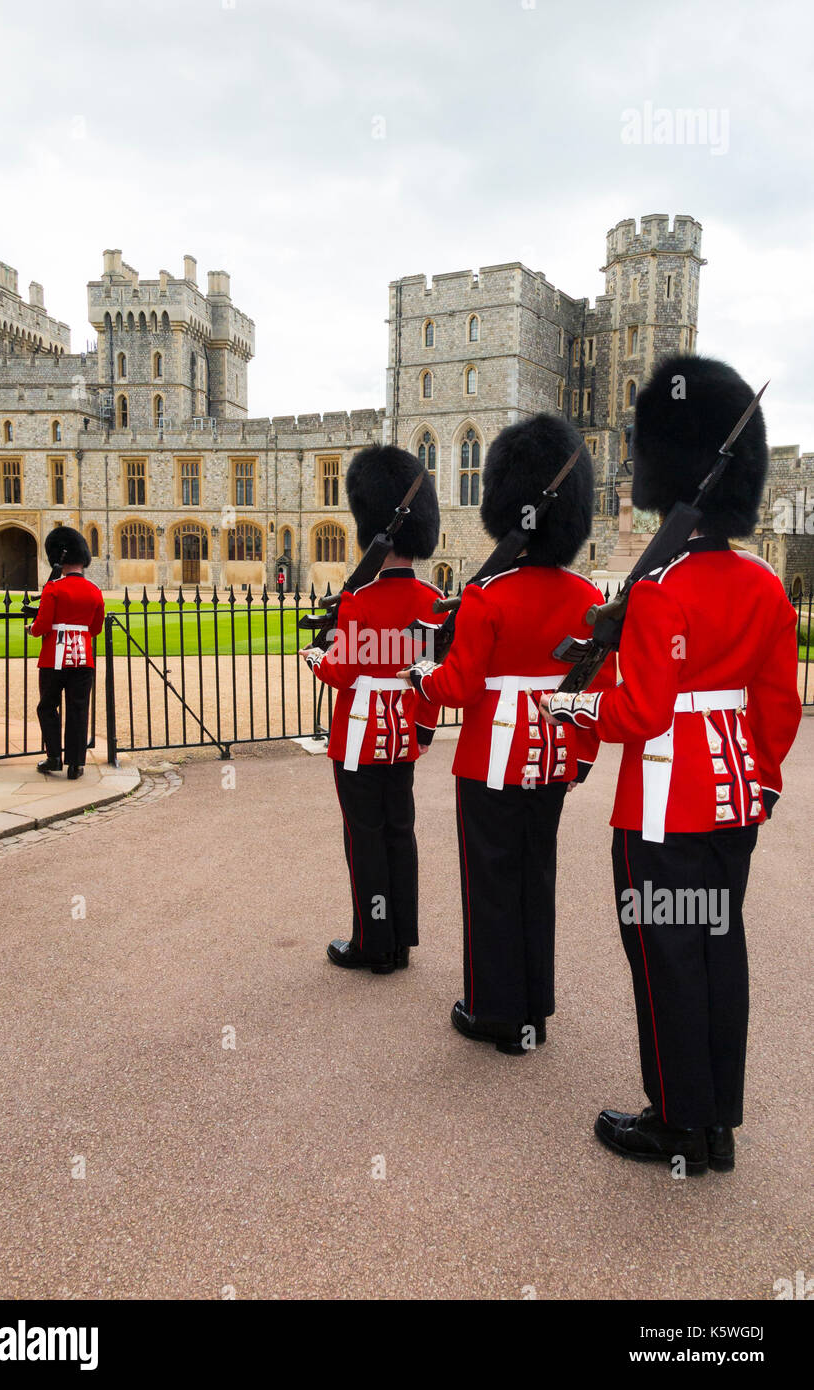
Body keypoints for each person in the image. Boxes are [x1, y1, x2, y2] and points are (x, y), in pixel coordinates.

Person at [542, 355, 802, 1173]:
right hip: (733, 807)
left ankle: (676, 1122)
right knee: (716, 951)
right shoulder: (764, 586)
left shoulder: (660, 590)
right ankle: (715, 1119)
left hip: (662, 811)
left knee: (664, 963)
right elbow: (778, 710)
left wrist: (576, 706)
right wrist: (757, 778)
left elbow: (642, 712)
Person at [400, 415, 614, 1052]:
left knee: (490, 884)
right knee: (535, 879)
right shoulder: (585, 593)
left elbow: (460, 687)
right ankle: (532, 1013)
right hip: (552, 754)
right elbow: (594, 689)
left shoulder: (488, 595)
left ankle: (494, 1011)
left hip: (492, 760)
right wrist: (581, 756)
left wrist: (420, 679)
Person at [300, 444, 441, 975]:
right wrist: (423, 732)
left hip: (359, 737)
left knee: (364, 838)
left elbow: (342, 672)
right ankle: (400, 941)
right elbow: (427, 676)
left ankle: (371, 942)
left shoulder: (359, 601)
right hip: (403, 732)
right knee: (400, 833)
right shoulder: (431, 597)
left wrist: (314, 656)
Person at [30, 526, 105, 780]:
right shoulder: (95, 590)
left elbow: (41, 626)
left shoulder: (54, 588)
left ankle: (54, 758)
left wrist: (31, 629)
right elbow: (95, 628)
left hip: (54, 657)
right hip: (83, 657)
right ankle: (76, 764)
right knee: (78, 709)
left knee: (48, 706)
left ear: (60, 560)